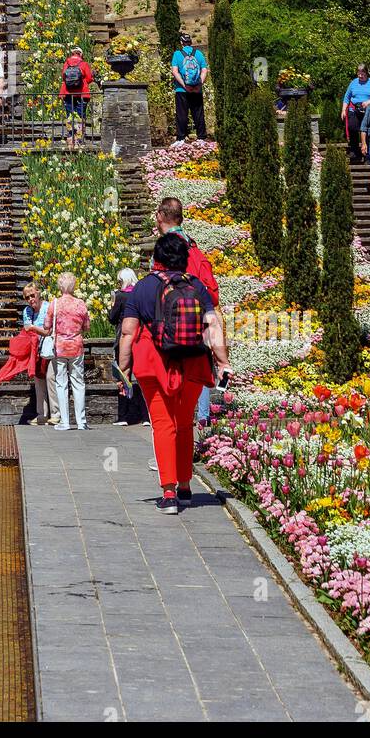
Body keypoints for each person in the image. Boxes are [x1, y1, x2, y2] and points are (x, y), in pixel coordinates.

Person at [118, 233, 229, 514]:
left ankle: (168, 493)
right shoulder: (198, 288)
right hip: (192, 362)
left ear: (156, 259)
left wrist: (124, 369)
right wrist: (223, 362)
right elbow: (213, 328)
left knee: (163, 424)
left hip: (154, 363)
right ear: (183, 259)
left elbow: (129, 332)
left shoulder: (142, 288)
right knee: (184, 423)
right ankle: (185, 486)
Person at [154, 196, 222, 426]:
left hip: (174, 319)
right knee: (198, 370)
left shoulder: (167, 248)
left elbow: (159, 284)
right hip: (200, 314)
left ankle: (178, 430)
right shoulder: (193, 245)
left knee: (175, 372)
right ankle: (201, 422)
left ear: (161, 216)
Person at [44, 273, 90, 431]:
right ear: (74, 286)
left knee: (61, 383)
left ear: (60, 286)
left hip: (60, 347)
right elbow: (87, 327)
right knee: (78, 383)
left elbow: (47, 325)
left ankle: (65, 421)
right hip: (76, 346)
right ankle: (81, 421)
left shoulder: (54, 304)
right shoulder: (80, 304)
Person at [108, 269, 149, 426]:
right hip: (140, 338)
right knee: (142, 377)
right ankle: (145, 416)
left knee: (123, 376)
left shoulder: (120, 296)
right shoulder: (141, 295)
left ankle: (124, 415)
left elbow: (112, 318)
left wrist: (112, 305)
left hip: (124, 338)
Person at [22, 283, 60, 425]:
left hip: (49, 348)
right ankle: (42, 414)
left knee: (51, 378)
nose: (31, 299)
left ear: (38, 293)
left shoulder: (48, 307)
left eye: (32, 295)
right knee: (38, 381)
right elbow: (27, 330)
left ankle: (56, 413)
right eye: (27, 297)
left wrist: (33, 328)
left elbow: (48, 331)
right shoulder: (27, 311)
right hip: (35, 350)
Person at [171, 31, 208, 144]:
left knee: (182, 114)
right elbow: (204, 70)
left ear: (182, 43)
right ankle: (201, 137)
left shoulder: (177, 54)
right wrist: (199, 84)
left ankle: (181, 138)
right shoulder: (199, 54)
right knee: (198, 112)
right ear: (190, 42)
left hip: (182, 90)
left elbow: (175, 71)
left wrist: (184, 85)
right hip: (197, 89)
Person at [59, 46, 95, 151]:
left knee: (70, 116)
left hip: (67, 93)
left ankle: (70, 139)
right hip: (82, 93)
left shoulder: (67, 64)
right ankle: (78, 139)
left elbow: (63, 76)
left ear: (72, 54)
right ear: (81, 54)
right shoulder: (83, 64)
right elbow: (89, 78)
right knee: (80, 115)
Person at [342, 64, 370, 163]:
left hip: (367, 110)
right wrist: (343, 110)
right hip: (354, 109)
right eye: (359, 74)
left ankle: (367, 156)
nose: (360, 76)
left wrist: (369, 102)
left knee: (367, 132)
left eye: (362, 74)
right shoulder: (353, 83)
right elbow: (347, 97)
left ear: (366, 73)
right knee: (352, 128)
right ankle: (354, 153)